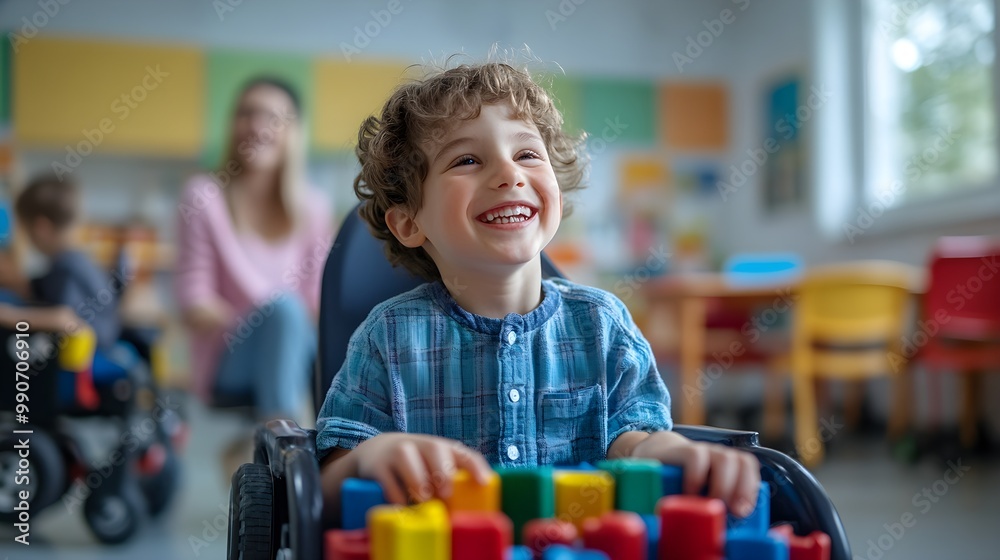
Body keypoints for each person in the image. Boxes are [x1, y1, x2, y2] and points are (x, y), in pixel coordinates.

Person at [315, 62, 760, 527]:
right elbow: (320, 487)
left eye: (528, 154)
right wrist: (370, 456)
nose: (509, 174)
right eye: (467, 160)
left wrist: (673, 451)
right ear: (409, 222)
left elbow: (636, 442)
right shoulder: (385, 338)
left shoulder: (602, 323)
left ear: (557, 195)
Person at [174, 77, 332, 434]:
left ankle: (281, 437)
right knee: (285, 310)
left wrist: (283, 323)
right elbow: (195, 300)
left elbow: (316, 302)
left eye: (271, 118)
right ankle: (284, 440)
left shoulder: (314, 207)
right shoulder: (203, 196)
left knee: (293, 318)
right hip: (229, 356)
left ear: (294, 132)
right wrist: (265, 319)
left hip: (296, 348)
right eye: (246, 114)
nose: (256, 126)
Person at [0, 174, 118, 348]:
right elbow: (37, 290)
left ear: (41, 228)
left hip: (90, 357)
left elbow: (64, 318)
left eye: (26, 232)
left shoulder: (69, 267)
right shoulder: (77, 261)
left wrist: (7, 314)